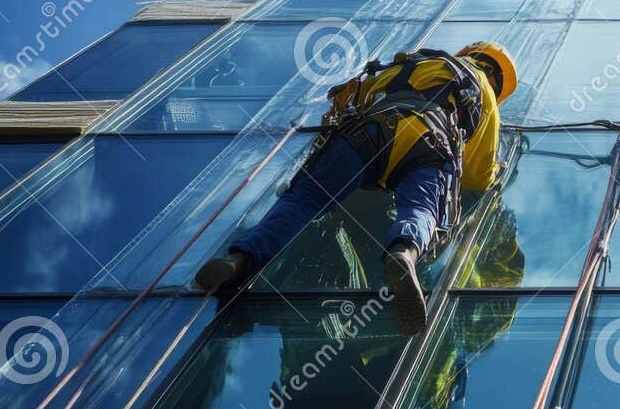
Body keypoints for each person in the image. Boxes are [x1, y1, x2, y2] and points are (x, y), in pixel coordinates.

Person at [194, 42, 517, 334]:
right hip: (428, 142)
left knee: (307, 198)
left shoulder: (410, 63)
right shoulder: (479, 89)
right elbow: (477, 175)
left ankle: (240, 260)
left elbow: (347, 100)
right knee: (422, 208)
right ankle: (402, 253)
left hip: (368, 132)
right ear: (495, 80)